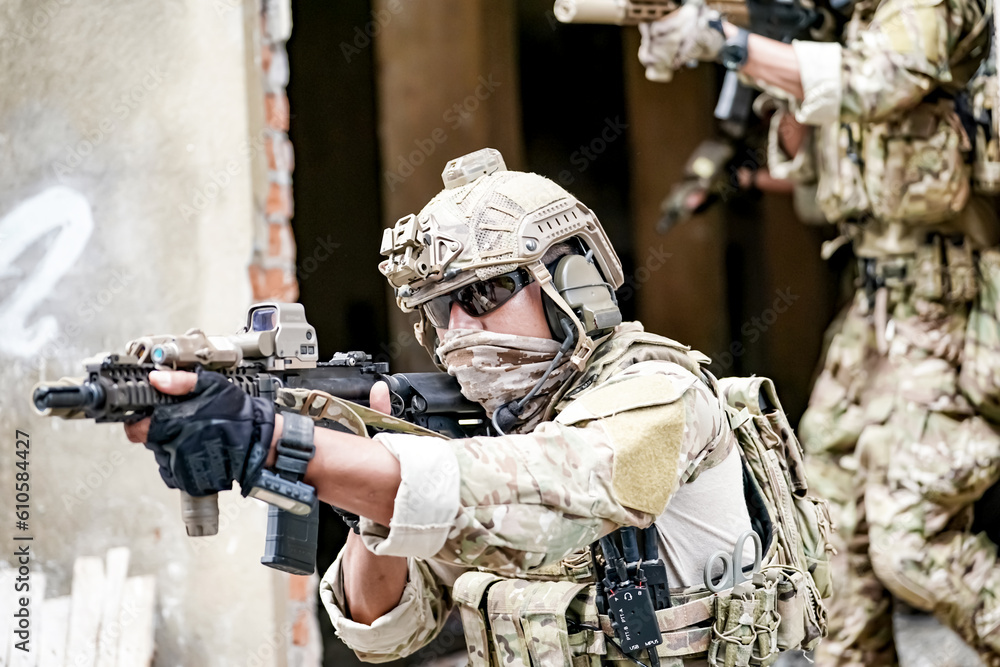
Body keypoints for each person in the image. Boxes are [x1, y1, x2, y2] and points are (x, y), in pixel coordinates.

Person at [124, 148, 815, 665]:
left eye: (483, 294)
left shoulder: (660, 395)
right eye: (435, 308)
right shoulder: (495, 426)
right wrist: (361, 470)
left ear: (572, 278)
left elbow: (552, 490)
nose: (458, 328)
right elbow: (387, 627)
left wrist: (280, 442)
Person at [636, 2, 1000, 664]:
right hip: (878, 303)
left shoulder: (919, 11)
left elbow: (872, 84)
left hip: (962, 301)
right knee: (822, 531)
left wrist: (724, 40)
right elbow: (809, 161)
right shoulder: (847, 23)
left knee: (913, 543)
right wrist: (778, 56)